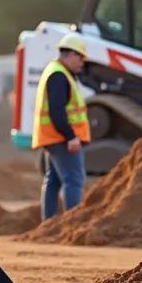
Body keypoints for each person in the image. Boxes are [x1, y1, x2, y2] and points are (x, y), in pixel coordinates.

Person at [32, 32, 91, 220]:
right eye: (81, 57)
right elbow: (57, 110)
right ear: (72, 55)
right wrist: (70, 136)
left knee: (53, 181)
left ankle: (48, 223)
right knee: (74, 180)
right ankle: (73, 224)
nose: (82, 62)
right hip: (61, 138)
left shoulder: (56, 71)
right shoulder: (59, 75)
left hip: (53, 137)